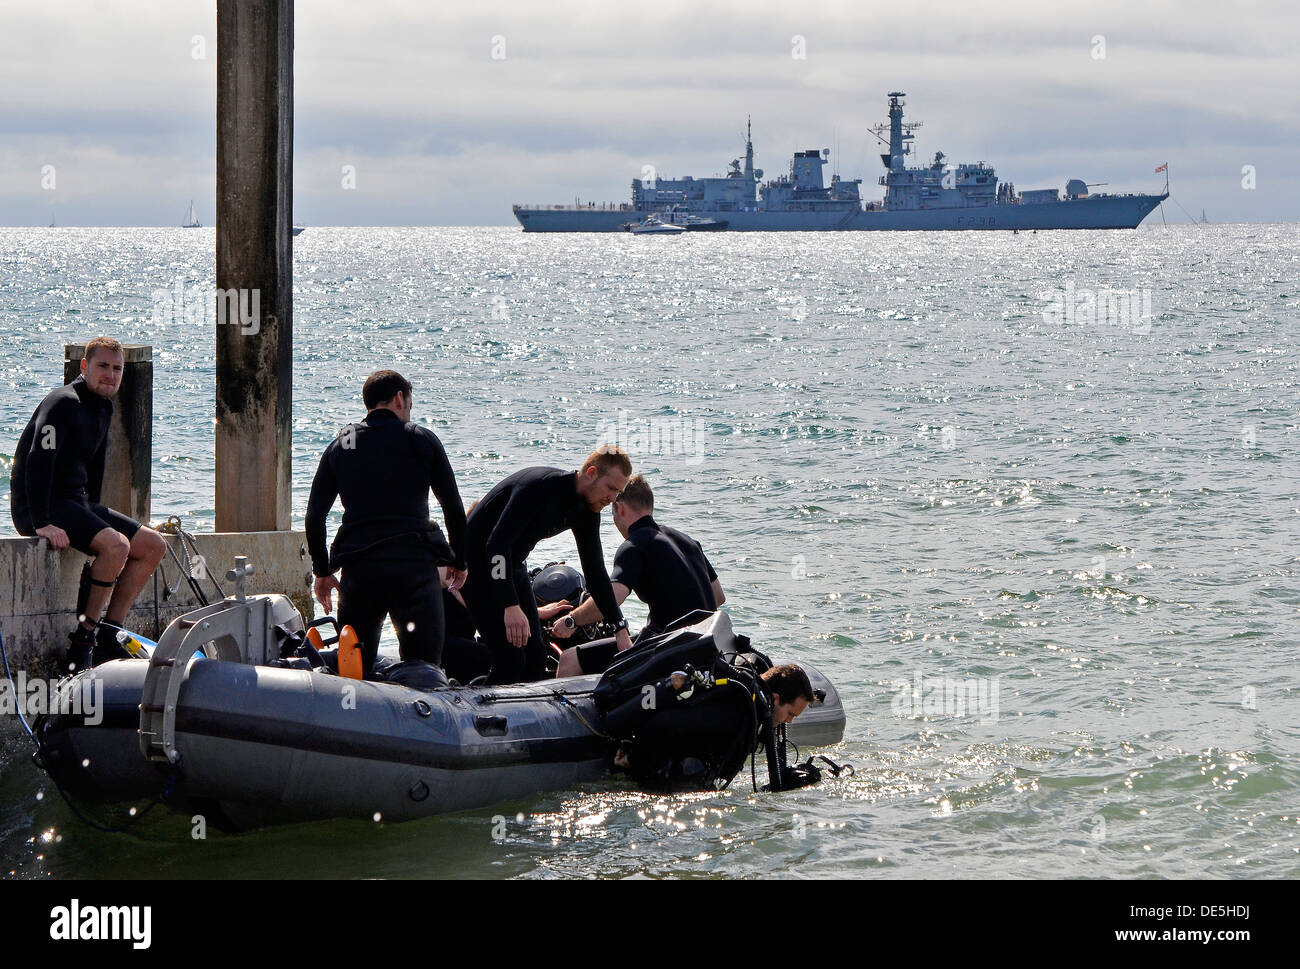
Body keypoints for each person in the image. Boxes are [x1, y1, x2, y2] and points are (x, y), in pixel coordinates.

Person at [10, 336, 167, 672]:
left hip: (74, 504)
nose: (110, 374)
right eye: (102, 366)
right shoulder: (63, 403)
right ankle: (84, 639)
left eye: (117, 368)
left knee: (153, 544)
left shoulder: (102, 407)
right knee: (116, 546)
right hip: (44, 505)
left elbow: (93, 470)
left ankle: (110, 632)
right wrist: (39, 522)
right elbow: (39, 459)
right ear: (84, 366)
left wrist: (93, 522)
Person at [305, 370, 467, 679]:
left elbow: (315, 516)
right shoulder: (421, 438)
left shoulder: (343, 443)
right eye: (409, 401)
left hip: (361, 573)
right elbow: (453, 508)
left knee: (354, 671)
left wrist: (323, 571)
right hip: (415, 572)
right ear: (399, 398)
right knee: (425, 671)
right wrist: (460, 559)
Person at [460, 447, 633, 684]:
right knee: (510, 659)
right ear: (591, 473)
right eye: (611, 488)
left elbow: (595, 573)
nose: (613, 498)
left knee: (535, 657)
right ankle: (480, 712)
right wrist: (510, 605)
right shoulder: (539, 487)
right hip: (478, 567)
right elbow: (496, 545)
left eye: (619, 492)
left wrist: (620, 629)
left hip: (512, 565)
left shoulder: (587, 511)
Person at [553, 473, 724, 676]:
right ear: (649, 506)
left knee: (569, 659)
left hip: (669, 646)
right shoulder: (686, 540)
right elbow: (718, 597)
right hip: (706, 643)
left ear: (621, 508)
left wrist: (571, 620)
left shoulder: (634, 545)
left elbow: (609, 601)